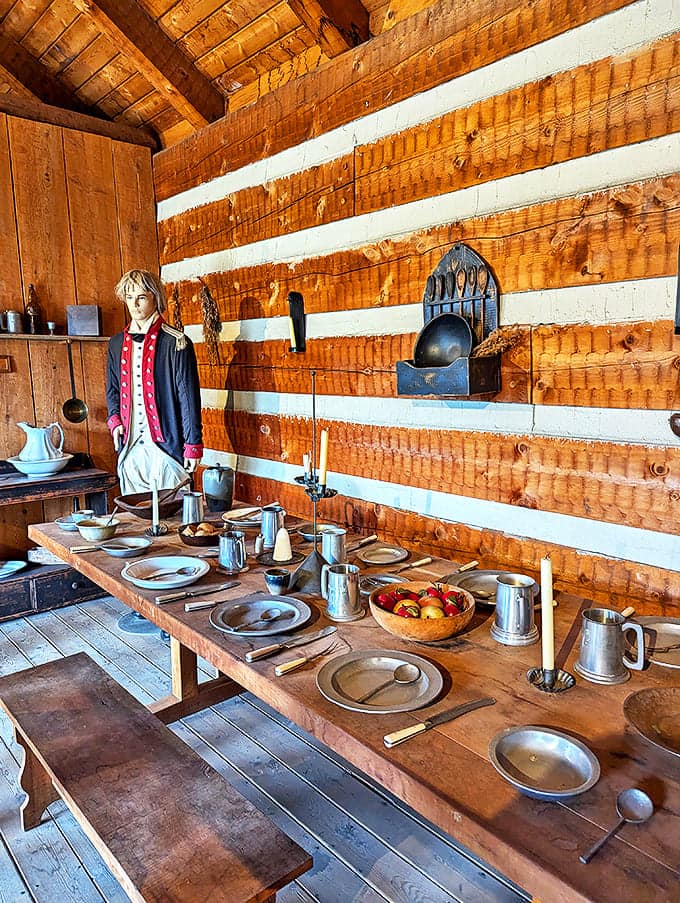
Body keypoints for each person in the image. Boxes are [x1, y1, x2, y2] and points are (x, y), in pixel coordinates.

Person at [106, 270, 203, 495]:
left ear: (155, 298)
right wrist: (115, 420)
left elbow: (188, 400)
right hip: (130, 448)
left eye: (141, 297)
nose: (134, 304)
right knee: (136, 516)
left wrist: (192, 446)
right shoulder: (116, 343)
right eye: (129, 298)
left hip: (167, 445)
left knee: (176, 516)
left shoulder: (176, 342)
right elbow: (112, 388)